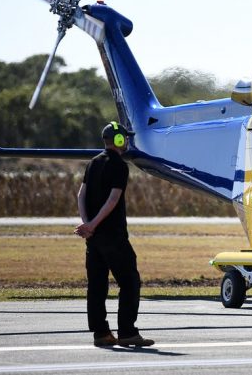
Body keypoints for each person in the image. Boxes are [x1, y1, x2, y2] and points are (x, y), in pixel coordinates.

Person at [75, 121, 154, 348]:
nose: (127, 141)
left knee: (97, 285)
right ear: (120, 141)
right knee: (130, 282)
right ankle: (128, 332)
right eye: (125, 138)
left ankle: (101, 334)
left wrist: (88, 225)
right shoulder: (119, 166)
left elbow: (81, 195)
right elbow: (113, 200)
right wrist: (96, 223)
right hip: (113, 236)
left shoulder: (93, 163)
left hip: (94, 238)